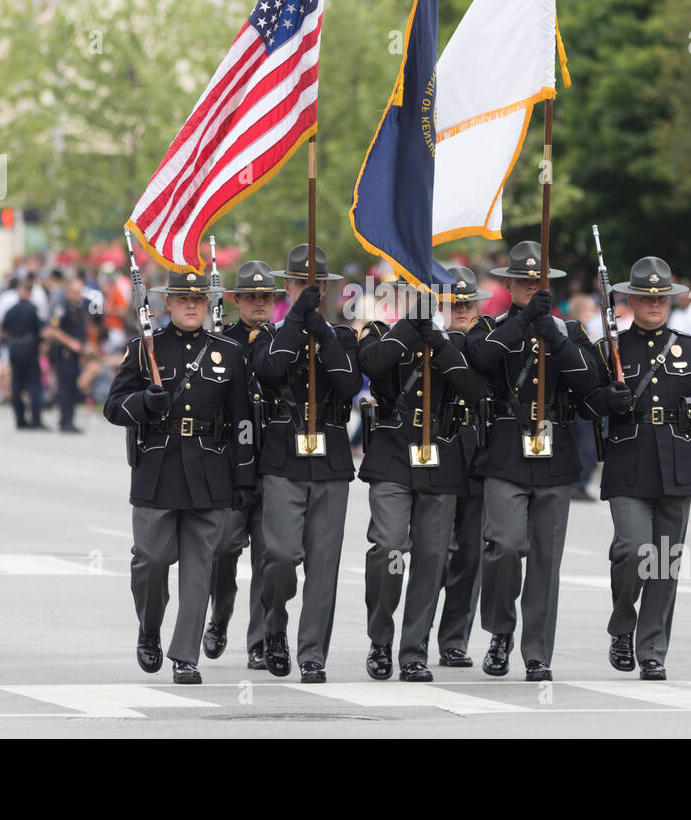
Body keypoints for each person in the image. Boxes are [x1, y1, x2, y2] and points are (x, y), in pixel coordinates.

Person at [103, 269, 255, 684]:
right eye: (183, 299)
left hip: (210, 474)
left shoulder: (227, 352)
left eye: (199, 299)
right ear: (168, 303)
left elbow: (242, 421)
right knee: (150, 559)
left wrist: (244, 480)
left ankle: (185, 656)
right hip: (158, 470)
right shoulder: (144, 349)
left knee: (198, 570)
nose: (191, 305)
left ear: (207, 303)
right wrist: (143, 403)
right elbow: (113, 408)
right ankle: (149, 626)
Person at [464, 241, 602, 681]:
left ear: (548, 284)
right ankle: (500, 631)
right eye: (520, 281)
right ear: (508, 284)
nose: (528, 286)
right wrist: (524, 320)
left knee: (546, 557)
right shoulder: (492, 327)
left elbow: (588, 382)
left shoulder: (570, 331)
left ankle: (538, 651)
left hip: (554, 452)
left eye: (535, 281)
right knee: (503, 546)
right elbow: (481, 359)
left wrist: (552, 335)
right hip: (505, 449)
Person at [580, 256, 691, 682]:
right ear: (631, 300)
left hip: (676, 464)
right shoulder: (611, 348)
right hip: (628, 461)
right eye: (646, 297)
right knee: (632, 549)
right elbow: (586, 403)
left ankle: (652, 650)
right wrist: (611, 401)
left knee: (663, 563)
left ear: (671, 301)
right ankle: (622, 625)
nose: (654, 303)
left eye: (662, 296)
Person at [356, 272, 488, 683]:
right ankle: (380, 639)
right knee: (388, 547)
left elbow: (474, 390)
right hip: (394, 451)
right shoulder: (383, 330)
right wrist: (411, 326)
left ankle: (414, 651)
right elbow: (373, 364)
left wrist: (438, 340)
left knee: (432, 559)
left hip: (442, 455)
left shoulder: (465, 343)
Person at [252, 245, 362, 683]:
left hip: (331, 458)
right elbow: (272, 371)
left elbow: (349, 382)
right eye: (300, 285)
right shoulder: (269, 335)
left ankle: (313, 653)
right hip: (284, 456)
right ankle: (274, 627)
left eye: (315, 287)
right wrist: (298, 320)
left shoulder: (344, 336)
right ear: (289, 286)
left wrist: (324, 332)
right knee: (280, 555)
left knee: (323, 563)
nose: (307, 292)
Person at [202, 260, 280, 671]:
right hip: (232, 462)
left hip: (272, 462)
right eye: (251, 297)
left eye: (266, 296)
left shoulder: (282, 341)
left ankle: (261, 640)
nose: (259, 303)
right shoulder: (220, 341)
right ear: (235, 300)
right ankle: (219, 614)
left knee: (269, 556)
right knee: (223, 549)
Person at [433, 267, 493, 668]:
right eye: (454, 303)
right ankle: (411, 637)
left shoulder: (486, 342)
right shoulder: (427, 338)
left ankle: (454, 638)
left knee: (469, 556)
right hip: (434, 453)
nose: (462, 309)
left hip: (475, 455)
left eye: (468, 303)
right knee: (431, 554)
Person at [45, 276, 89, 433]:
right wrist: (70, 343)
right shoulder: (61, 307)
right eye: (76, 292)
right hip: (64, 353)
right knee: (65, 387)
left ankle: (70, 419)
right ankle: (65, 421)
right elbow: (52, 330)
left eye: (80, 292)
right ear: (69, 292)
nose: (79, 296)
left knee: (72, 387)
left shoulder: (77, 308)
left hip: (75, 354)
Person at [1, 279, 47, 430]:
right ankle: (35, 419)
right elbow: (40, 329)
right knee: (34, 385)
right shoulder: (33, 309)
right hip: (29, 349)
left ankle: (20, 419)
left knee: (17, 385)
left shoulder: (11, 310)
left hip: (14, 348)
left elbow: (4, 328)